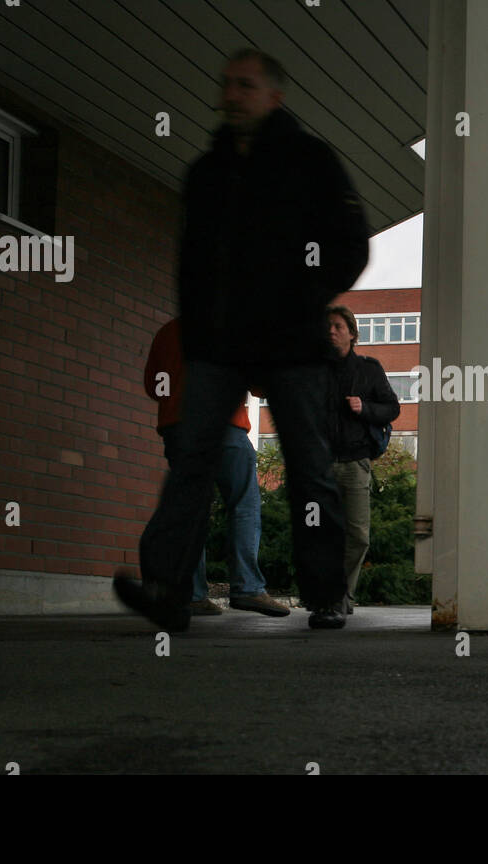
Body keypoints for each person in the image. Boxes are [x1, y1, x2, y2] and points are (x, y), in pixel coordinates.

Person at [113, 48, 368, 631]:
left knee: (308, 468)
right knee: (191, 465)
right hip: (219, 349)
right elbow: (190, 266)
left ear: (274, 96)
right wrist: (199, 335)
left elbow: (350, 242)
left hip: (294, 343)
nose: (232, 95)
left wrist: (304, 300)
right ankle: (168, 592)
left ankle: (326, 594)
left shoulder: (310, 161)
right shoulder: (207, 172)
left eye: (246, 86)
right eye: (227, 84)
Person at [143, 318, 288, 618]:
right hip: (224, 428)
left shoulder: (167, 332)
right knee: (243, 503)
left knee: (192, 510)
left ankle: (193, 594)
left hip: (177, 429)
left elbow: (153, 386)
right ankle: (247, 587)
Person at [325, 305, 400, 615]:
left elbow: (392, 408)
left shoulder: (369, 369)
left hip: (356, 463)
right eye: (327, 326)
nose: (330, 331)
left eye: (338, 327)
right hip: (321, 465)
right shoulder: (314, 371)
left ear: (352, 334)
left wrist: (364, 408)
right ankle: (329, 598)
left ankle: (343, 593)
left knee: (357, 535)